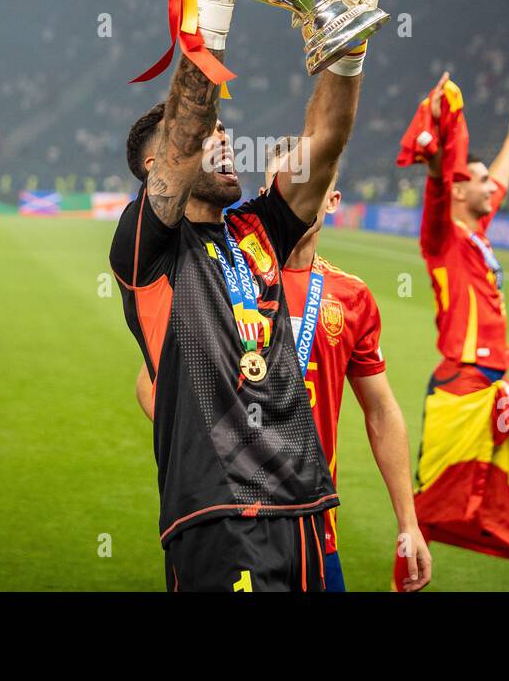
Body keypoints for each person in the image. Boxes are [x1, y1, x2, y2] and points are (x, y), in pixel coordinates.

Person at [109, 0, 377, 591]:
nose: (223, 145)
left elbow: (325, 143)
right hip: (218, 511)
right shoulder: (148, 253)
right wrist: (212, 6)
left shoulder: (257, 231)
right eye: (209, 140)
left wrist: (343, 57)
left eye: (228, 135)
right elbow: (186, 129)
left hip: (305, 505)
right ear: (156, 166)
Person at [132, 143, 434, 592]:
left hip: (314, 522)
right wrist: (211, 432)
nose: (301, 198)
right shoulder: (232, 277)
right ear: (269, 194)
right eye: (288, 188)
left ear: (331, 199)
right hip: (242, 517)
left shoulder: (351, 297)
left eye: (312, 188)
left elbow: (381, 412)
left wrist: (408, 522)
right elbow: (148, 379)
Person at [398, 72, 509, 592]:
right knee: (425, 511)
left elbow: (491, 179)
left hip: (496, 392)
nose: (491, 185)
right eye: (477, 178)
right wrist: (434, 167)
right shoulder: (442, 237)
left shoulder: (476, 235)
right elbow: (443, 185)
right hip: (460, 389)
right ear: (456, 189)